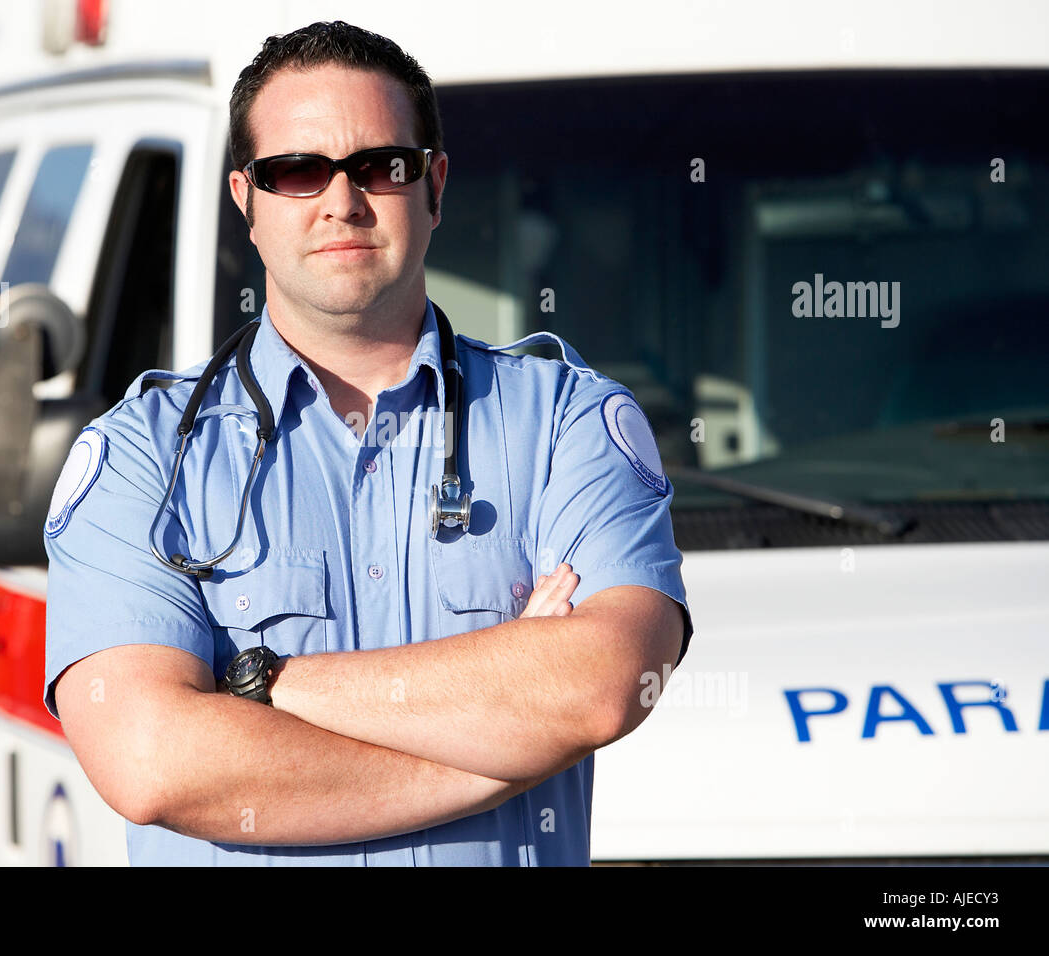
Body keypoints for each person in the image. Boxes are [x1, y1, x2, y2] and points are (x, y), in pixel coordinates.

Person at [43, 20, 693, 866]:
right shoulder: (142, 455)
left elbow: (605, 688)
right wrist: (503, 747)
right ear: (246, 199)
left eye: (382, 166)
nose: (341, 201)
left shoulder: (567, 418)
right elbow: (152, 764)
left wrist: (258, 683)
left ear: (436, 185)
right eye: (297, 171)